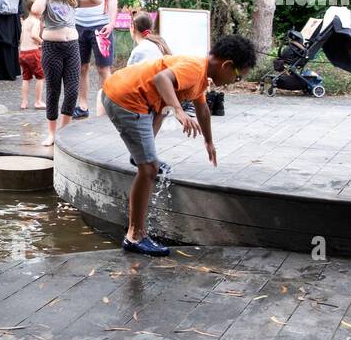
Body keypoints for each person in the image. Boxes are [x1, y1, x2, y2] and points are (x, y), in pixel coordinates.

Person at [102, 34, 256, 257]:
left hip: (127, 93)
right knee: (149, 169)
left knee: (163, 110)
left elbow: (202, 109)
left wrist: (209, 141)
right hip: (127, 100)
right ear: (227, 65)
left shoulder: (201, 74)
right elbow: (161, 80)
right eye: (237, 77)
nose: (235, 82)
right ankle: (134, 236)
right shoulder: (195, 68)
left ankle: (141, 156)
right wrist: (178, 110)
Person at [29, 0, 84, 146]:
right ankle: (52, 133)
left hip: (72, 48)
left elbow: (98, 1)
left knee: (73, 91)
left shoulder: (71, 1)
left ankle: (63, 132)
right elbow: (35, 10)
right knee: (53, 91)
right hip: (52, 48)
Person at [70, 0, 120, 118]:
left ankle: (108, 107)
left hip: (101, 25)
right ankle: (82, 106)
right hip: (79, 25)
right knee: (81, 67)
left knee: (103, 68)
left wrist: (112, 23)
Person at [18, 15, 45, 111]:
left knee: (26, 78)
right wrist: (42, 42)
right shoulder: (36, 21)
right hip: (33, 53)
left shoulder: (25, 21)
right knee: (40, 77)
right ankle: (38, 101)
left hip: (23, 52)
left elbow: (21, 38)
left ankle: (24, 102)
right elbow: (34, 35)